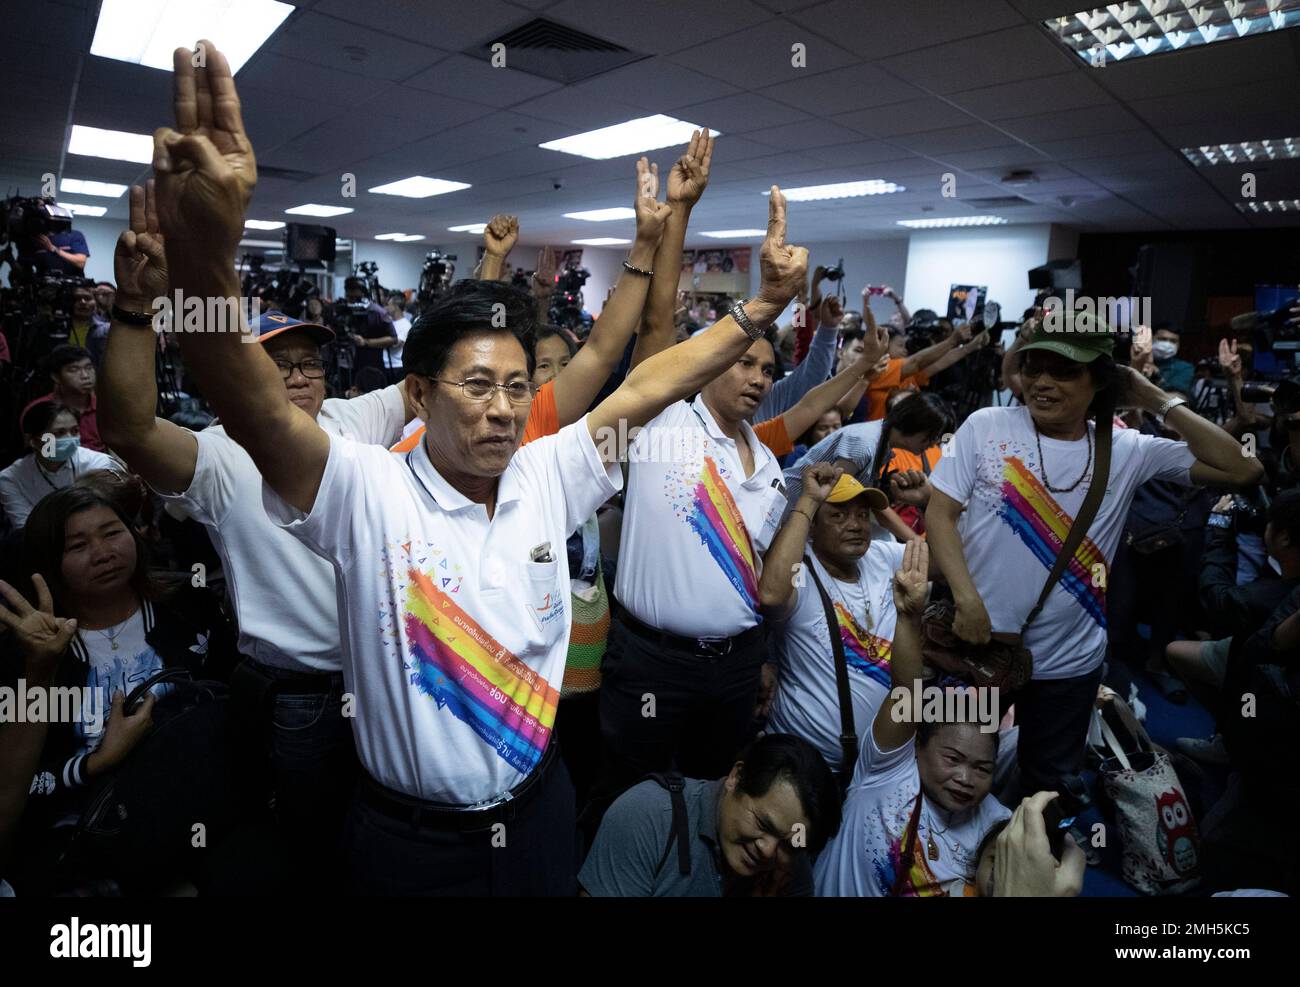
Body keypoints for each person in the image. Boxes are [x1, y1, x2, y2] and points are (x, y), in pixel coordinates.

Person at [147, 39, 807, 895]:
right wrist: (205, 255)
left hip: (537, 814)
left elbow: (642, 384)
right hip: (411, 842)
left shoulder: (547, 475)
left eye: (516, 386)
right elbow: (251, 404)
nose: (503, 406)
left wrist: (759, 309)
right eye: (476, 386)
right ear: (418, 394)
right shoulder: (366, 490)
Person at [97, 180, 420, 890]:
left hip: (390, 676)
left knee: (383, 829)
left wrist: (484, 274)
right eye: (279, 366)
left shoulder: (347, 420)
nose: (300, 377)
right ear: (249, 380)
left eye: (309, 362)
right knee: (310, 843)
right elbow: (127, 429)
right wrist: (134, 308)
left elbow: (427, 378)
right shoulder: (221, 453)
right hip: (299, 697)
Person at [925, 314, 1263, 810]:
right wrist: (967, 598)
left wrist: (1156, 399)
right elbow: (940, 513)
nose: (1041, 382)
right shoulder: (987, 426)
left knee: (1048, 784)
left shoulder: (1126, 448)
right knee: (954, 765)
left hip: (1069, 663)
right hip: (977, 650)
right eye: (1035, 367)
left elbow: (1244, 467)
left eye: (1063, 372)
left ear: (1101, 380)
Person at [596, 289, 884, 802]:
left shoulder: (772, 468)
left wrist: (764, 657)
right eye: (742, 362)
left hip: (734, 667)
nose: (757, 378)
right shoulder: (665, 424)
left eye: (767, 370)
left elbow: (765, 577)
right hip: (653, 663)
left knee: (716, 793)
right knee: (628, 789)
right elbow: (656, 331)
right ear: (709, 363)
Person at [0, 477, 234, 894]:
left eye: (112, 533)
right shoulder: (28, 651)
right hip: (85, 844)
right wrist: (94, 763)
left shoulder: (187, 604)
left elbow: (230, 702)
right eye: (77, 546)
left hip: (205, 815)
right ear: (48, 564)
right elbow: (21, 788)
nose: (103, 553)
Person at [814, 539, 1012, 896]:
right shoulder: (887, 771)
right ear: (917, 748)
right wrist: (909, 616)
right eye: (953, 759)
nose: (966, 778)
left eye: (983, 769)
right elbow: (906, 691)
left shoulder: (998, 825)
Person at [758, 464, 900, 776]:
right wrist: (808, 501)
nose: (856, 525)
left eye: (863, 515)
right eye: (838, 515)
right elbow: (770, 594)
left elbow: (942, 564)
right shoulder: (802, 573)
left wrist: (896, 510)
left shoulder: (882, 557)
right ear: (812, 528)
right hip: (802, 768)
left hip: (875, 770)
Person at [578, 734, 841, 897]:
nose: (768, 850)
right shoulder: (648, 815)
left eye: (787, 844)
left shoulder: (791, 868)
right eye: (762, 824)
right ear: (736, 778)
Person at [0, 402, 121, 530]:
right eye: (58, 433)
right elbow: (26, 529)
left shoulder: (99, 464)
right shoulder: (10, 478)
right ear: (32, 440)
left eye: (75, 431)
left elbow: (103, 517)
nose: (69, 439)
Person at [23, 345, 105, 451]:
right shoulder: (39, 411)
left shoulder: (105, 408)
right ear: (56, 377)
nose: (85, 375)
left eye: (89, 368)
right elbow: (34, 454)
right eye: (74, 370)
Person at [344, 276, 397, 374]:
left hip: (373, 367)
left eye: (355, 298)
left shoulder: (378, 312)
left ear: (364, 294)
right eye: (349, 298)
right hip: (350, 365)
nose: (352, 301)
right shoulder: (347, 311)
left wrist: (365, 342)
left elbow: (393, 339)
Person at [383, 291, 411, 382]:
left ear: (395, 307)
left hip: (396, 366)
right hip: (386, 364)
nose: (386, 308)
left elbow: (396, 344)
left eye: (388, 305)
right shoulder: (389, 322)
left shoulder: (405, 325)